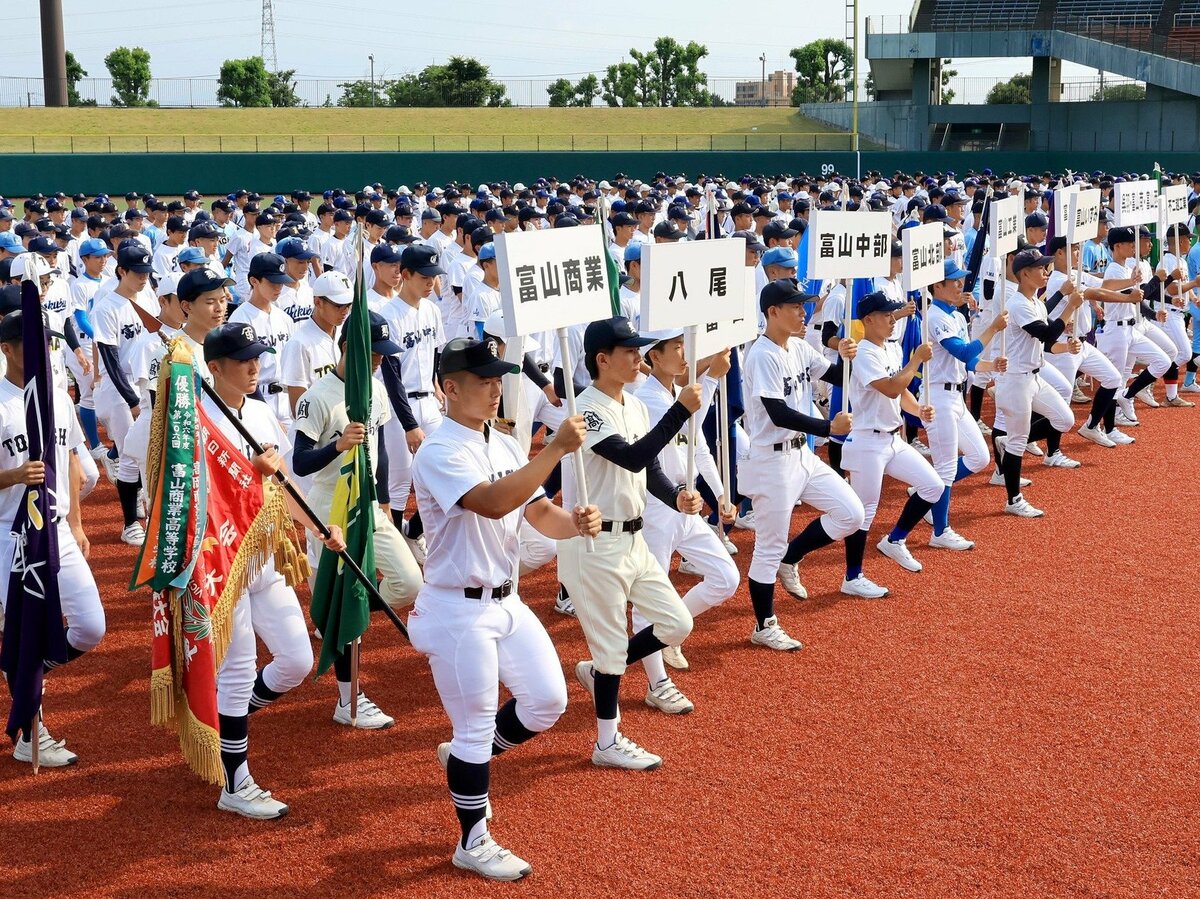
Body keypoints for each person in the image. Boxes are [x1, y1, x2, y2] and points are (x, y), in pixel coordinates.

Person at [408, 336, 599, 881]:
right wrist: (556, 451)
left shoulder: (507, 444)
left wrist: (575, 525)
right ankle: (472, 839)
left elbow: (540, 516)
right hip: (456, 609)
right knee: (472, 728)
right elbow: (492, 504)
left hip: (506, 599)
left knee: (547, 701)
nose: (495, 390)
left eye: (498, 380)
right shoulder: (439, 450)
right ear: (450, 388)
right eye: (483, 381)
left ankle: (469, 764)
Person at [201, 323, 344, 819]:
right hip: (223, 560)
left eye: (257, 355)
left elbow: (280, 484)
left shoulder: (262, 411)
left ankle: (225, 727)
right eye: (242, 358)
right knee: (238, 670)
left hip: (265, 555)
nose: (253, 365)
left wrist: (320, 527)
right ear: (213, 367)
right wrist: (249, 475)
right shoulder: (195, 418)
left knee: (296, 661)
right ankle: (234, 781)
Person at [559, 316, 701, 771]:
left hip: (634, 538)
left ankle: (601, 669)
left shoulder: (635, 404)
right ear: (602, 360)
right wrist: (680, 409)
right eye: (629, 351)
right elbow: (630, 454)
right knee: (611, 649)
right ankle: (606, 742)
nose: (638, 356)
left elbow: (648, 468)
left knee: (677, 623)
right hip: (596, 543)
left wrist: (675, 496)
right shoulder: (587, 408)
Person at [291, 311, 423, 728]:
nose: (381, 361)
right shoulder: (317, 396)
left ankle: (344, 608)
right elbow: (299, 462)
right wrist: (336, 446)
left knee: (408, 581)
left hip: (367, 506)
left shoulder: (376, 391)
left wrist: (384, 500)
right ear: (349, 347)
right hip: (329, 509)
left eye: (384, 354)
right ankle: (348, 699)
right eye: (374, 353)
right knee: (342, 600)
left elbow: (379, 451)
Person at [0, 309, 101, 768]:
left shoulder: (59, 398)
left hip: (58, 527)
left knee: (90, 626)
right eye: (31, 342)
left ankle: (25, 675)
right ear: (7, 349)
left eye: (46, 340)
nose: (42, 348)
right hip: (11, 535)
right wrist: (14, 475)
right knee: (21, 628)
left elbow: (73, 463)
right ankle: (29, 731)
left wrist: (78, 523)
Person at [740, 279, 863, 638]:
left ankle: (791, 558)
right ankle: (764, 625)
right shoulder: (761, 354)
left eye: (804, 305)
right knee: (767, 547)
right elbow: (777, 412)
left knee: (851, 513)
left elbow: (838, 375)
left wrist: (851, 355)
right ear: (773, 312)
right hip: (772, 461)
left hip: (801, 456)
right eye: (795, 306)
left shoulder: (797, 346)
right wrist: (828, 427)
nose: (804, 312)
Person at [631, 331, 739, 708]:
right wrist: (710, 379)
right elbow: (648, 460)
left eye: (684, 346)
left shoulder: (676, 395)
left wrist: (721, 494)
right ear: (655, 357)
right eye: (676, 348)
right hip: (659, 508)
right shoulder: (644, 399)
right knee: (647, 600)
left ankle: (669, 633)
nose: (684, 353)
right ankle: (656, 683)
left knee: (726, 578)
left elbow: (699, 446)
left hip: (688, 503)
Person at [840, 290, 943, 595]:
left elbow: (901, 393)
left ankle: (895, 539)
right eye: (886, 315)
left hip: (891, 438)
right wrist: (915, 361)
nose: (892, 319)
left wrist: (917, 409)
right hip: (867, 442)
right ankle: (852, 577)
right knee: (864, 513)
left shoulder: (889, 349)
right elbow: (890, 387)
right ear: (868, 320)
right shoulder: (862, 352)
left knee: (933, 486)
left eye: (892, 314)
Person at [992, 249, 1083, 518]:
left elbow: (1046, 343)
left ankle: (1007, 444)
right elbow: (1045, 333)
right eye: (1041, 268)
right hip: (1015, 380)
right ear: (1024, 273)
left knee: (1064, 420)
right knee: (1019, 443)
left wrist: (1067, 347)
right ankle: (1013, 500)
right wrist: (1069, 306)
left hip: (1033, 375)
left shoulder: (1037, 303)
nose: (1046, 272)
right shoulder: (1018, 303)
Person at [924, 262, 1008, 549]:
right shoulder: (933, 316)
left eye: (961, 281)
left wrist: (991, 365)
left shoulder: (957, 316)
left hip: (955, 395)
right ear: (938, 286)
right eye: (954, 281)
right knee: (946, 467)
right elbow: (961, 351)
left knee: (979, 458)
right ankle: (940, 531)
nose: (960, 286)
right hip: (937, 396)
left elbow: (970, 361)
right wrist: (993, 329)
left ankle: (926, 490)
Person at [90, 244, 153, 545]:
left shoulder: (149, 296)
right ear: (122, 272)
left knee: (145, 451)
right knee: (131, 454)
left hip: (145, 381)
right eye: (137, 273)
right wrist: (132, 401)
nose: (143, 278)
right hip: (119, 388)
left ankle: (140, 501)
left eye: (146, 272)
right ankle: (130, 524)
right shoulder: (107, 307)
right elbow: (109, 358)